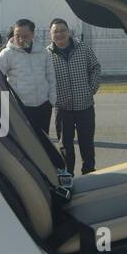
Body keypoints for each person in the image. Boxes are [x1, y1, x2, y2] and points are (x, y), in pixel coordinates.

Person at [48, 18, 102, 175]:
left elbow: (95, 68)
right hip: (62, 108)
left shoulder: (83, 48)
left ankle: (89, 173)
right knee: (65, 145)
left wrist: (91, 89)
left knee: (87, 143)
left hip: (84, 106)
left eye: (62, 30)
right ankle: (68, 175)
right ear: (51, 34)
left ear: (69, 31)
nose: (59, 34)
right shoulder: (46, 55)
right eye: (55, 31)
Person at [0, 18, 56, 136]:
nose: (21, 40)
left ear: (33, 34)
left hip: (43, 106)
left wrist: (51, 100)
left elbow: (51, 76)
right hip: (20, 108)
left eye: (25, 36)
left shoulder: (42, 52)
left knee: (44, 140)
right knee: (27, 142)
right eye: (17, 36)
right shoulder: (7, 54)